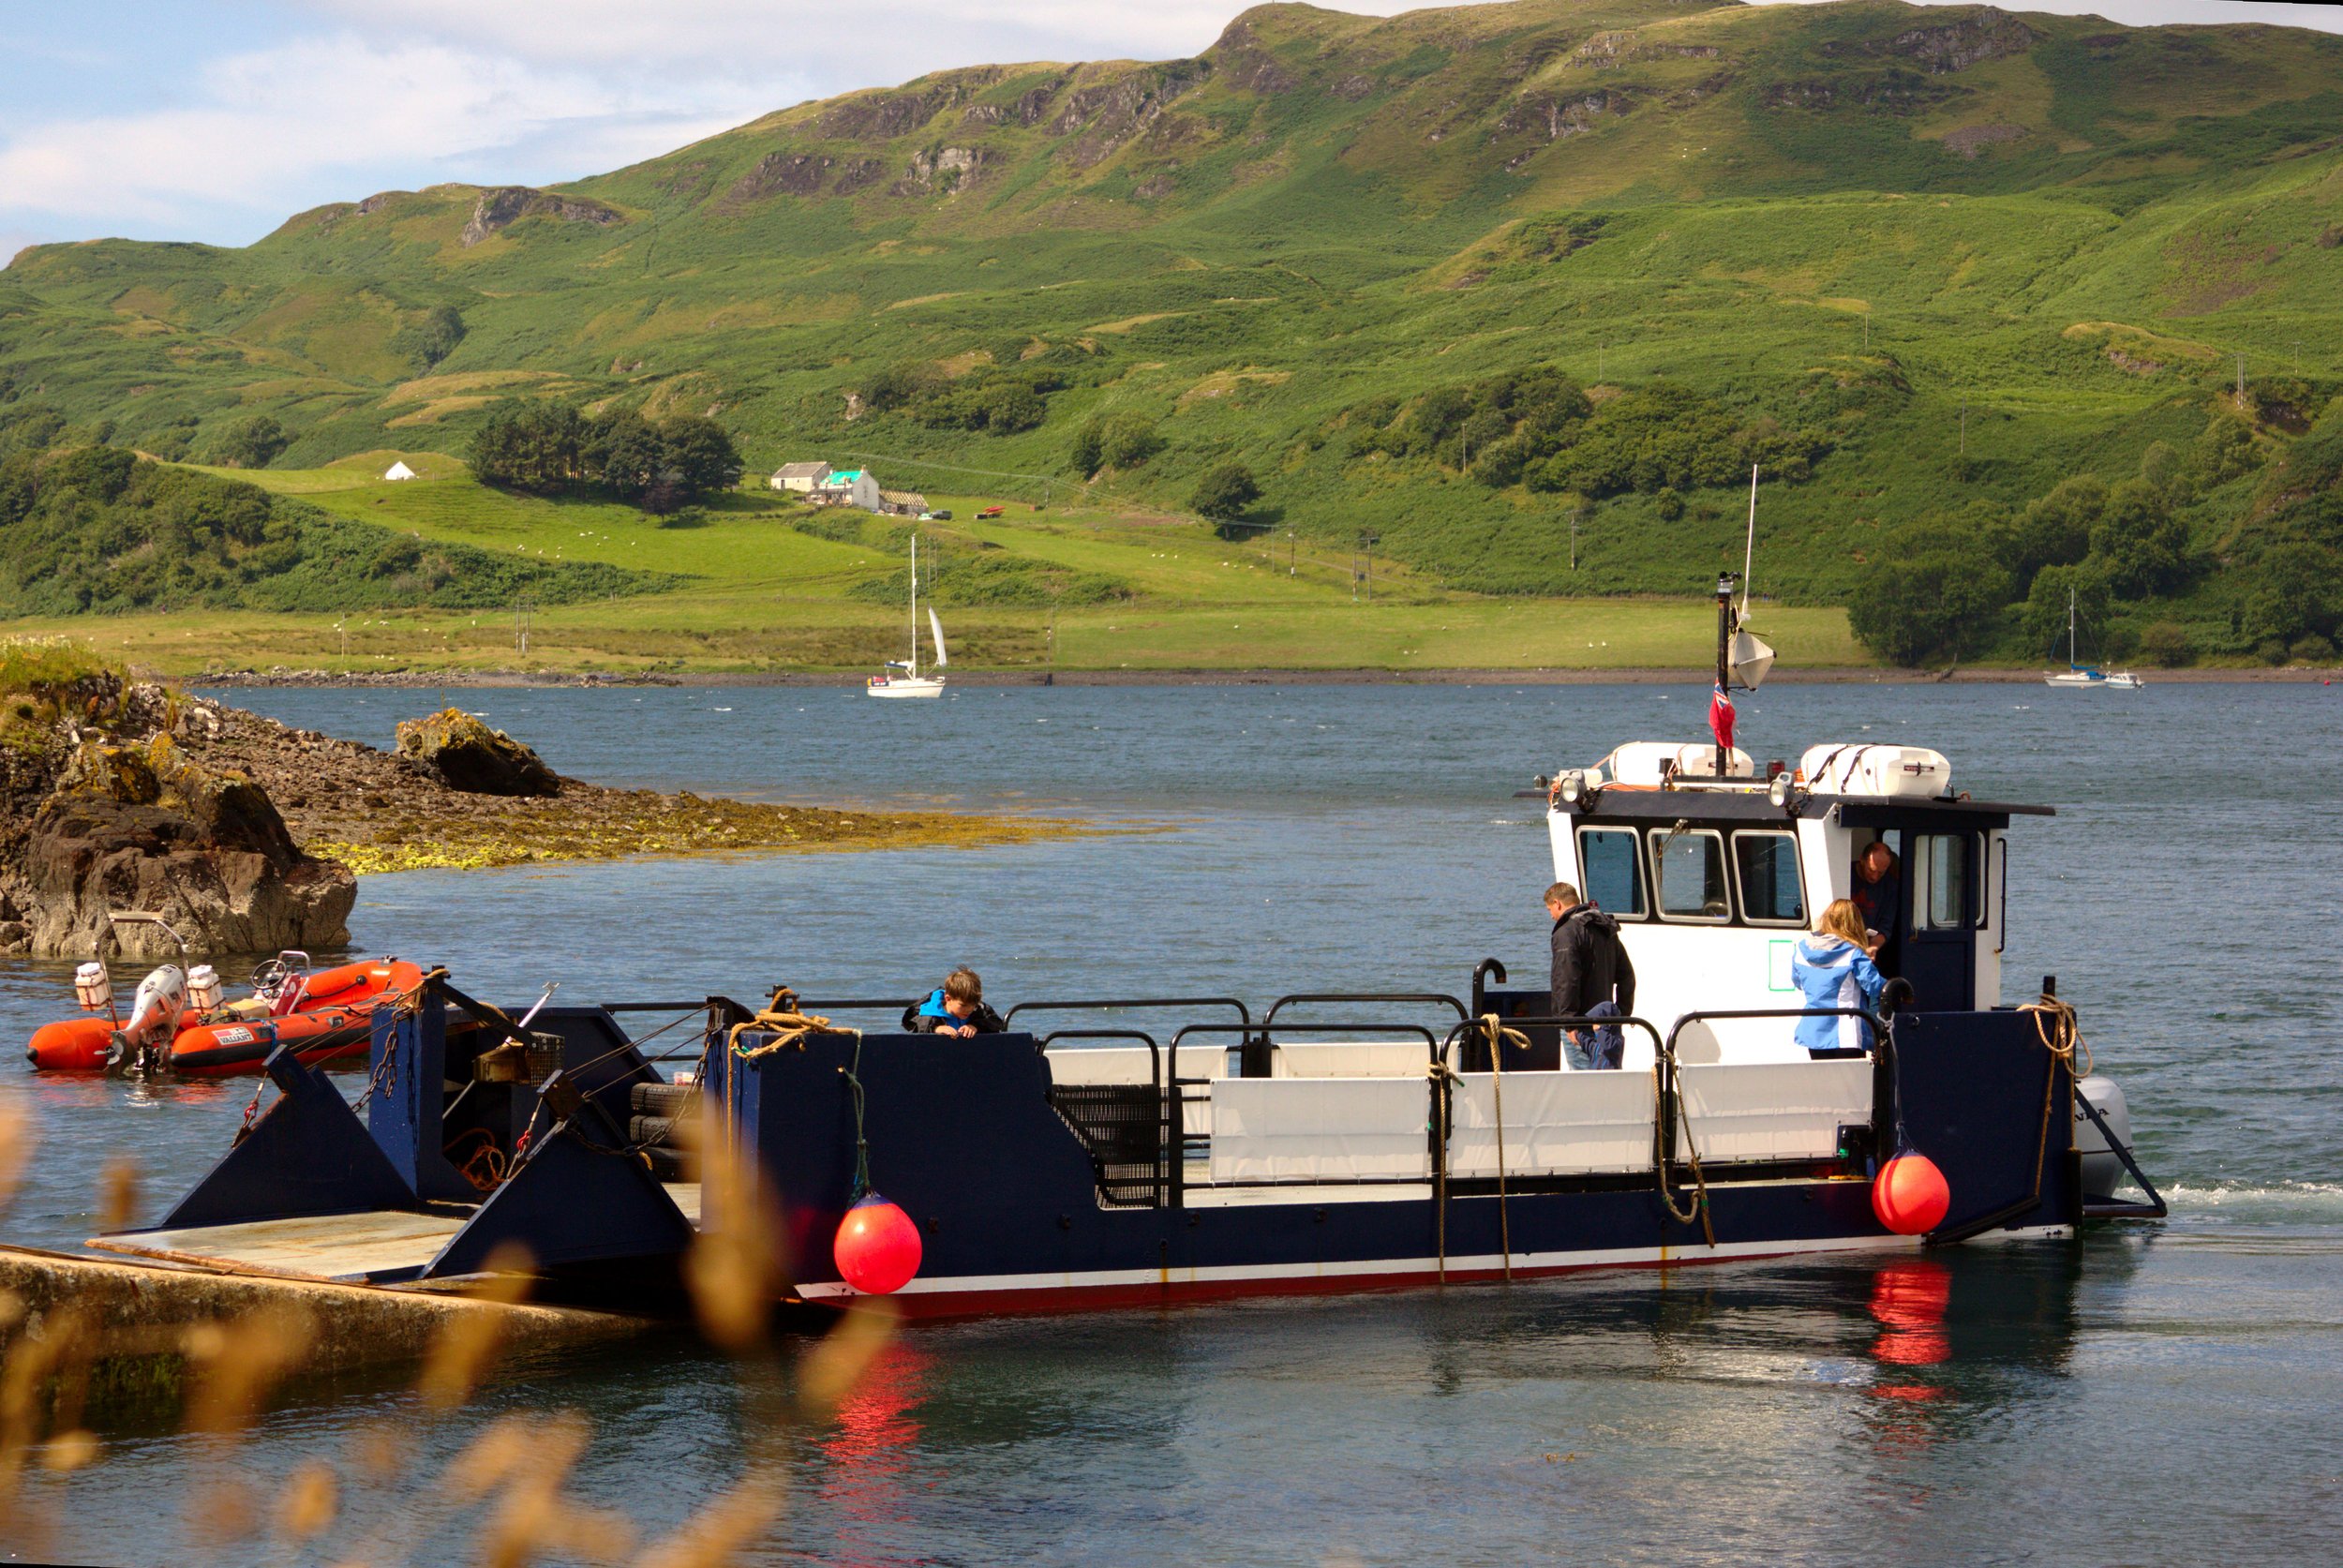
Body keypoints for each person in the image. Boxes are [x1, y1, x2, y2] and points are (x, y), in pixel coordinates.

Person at [1545, 881, 1635, 1070]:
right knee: (1605, 1076)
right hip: (1607, 1022)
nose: (1552, 916)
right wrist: (1620, 1014)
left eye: (1550, 910)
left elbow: (1566, 979)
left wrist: (1569, 1022)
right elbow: (1627, 975)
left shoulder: (1566, 932)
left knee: (1584, 1084)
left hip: (1580, 1023)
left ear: (1557, 903)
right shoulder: (1605, 928)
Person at [1791, 899, 1888, 1056]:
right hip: (1846, 1034)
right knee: (1851, 1081)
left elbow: (1798, 982)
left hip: (1813, 1031)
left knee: (1822, 1080)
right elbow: (1876, 986)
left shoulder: (1801, 951)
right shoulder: (1853, 954)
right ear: (1854, 924)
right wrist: (1897, 988)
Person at [903, 966, 1005, 1038]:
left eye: (973, 1004)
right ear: (948, 999)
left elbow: (996, 1023)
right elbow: (912, 1025)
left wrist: (975, 1026)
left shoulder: (979, 1009)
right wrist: (935, 1029)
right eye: (963, 1005)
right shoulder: (928, 1012)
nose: (969, 1009)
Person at [1851, 839, 1902, 973]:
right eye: (1871, 870)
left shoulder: (1889, 886)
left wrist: (1873, 947)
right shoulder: (1844, 874)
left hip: (1871, 942)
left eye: (1881, 873)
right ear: (1862, 859)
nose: (1874, 877)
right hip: (1845, 941)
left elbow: (1886, 924)